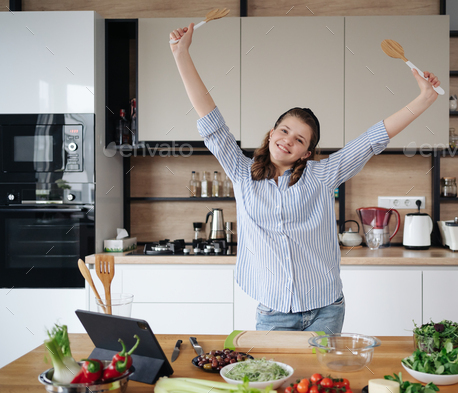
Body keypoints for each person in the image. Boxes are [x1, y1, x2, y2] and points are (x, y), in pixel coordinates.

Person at [170, 23, 440, 333]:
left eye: (299, 139)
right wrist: (181, 54)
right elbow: (211, 121)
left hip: (325, 310)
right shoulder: (242, 174)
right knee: (272, 382)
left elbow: (371, 140)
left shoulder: (321, 176)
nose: (287, 140)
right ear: (272, 133)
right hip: (273, 311)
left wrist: (424, 99)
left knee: (319, 384)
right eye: (284, 130)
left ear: (306, 153)